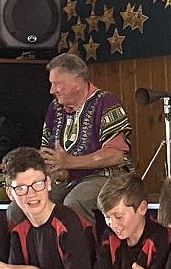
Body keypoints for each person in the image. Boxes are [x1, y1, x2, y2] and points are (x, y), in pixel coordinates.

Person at [0, 172, 171, 269]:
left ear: (142, 208)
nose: (112, 224)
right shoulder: (109, 239)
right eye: (106, 217)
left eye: (118, 216)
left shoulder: (161, 238)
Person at [37, 52, 133, 221]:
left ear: (78, 81)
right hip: (65, 180)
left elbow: (115, 155)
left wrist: (71, 163)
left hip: (108, 177)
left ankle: (84, 247)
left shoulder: (106, 102)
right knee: (27, 202)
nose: (52, 90)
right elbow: (46, 151)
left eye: (57, 84)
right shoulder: (54, 108)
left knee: (76, 202)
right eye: (51, 84)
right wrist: (54, 169)